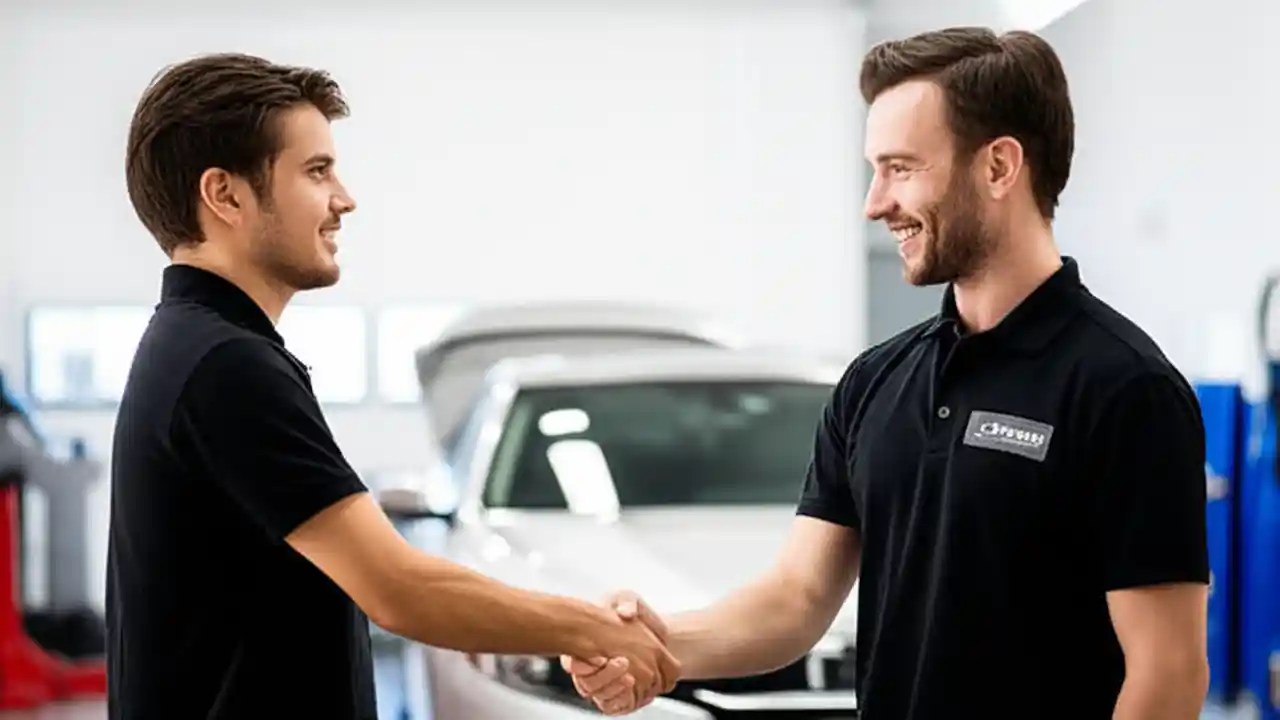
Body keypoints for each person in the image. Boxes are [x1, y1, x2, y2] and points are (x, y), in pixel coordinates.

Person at [564, 26, 1211, 720]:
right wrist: (658, 644)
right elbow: (797, 600)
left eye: (901, 168)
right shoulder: (876, 382)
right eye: (875, 170)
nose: (875, 203)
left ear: (998, 168)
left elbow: (1167, 672)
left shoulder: (1126, 389)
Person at [107, 52, 678, 720]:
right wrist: (593, 629)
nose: (344, 199)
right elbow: (399, 588)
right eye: (316, 171)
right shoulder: (225, 364)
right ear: (226, 194)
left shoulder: (198, 347)